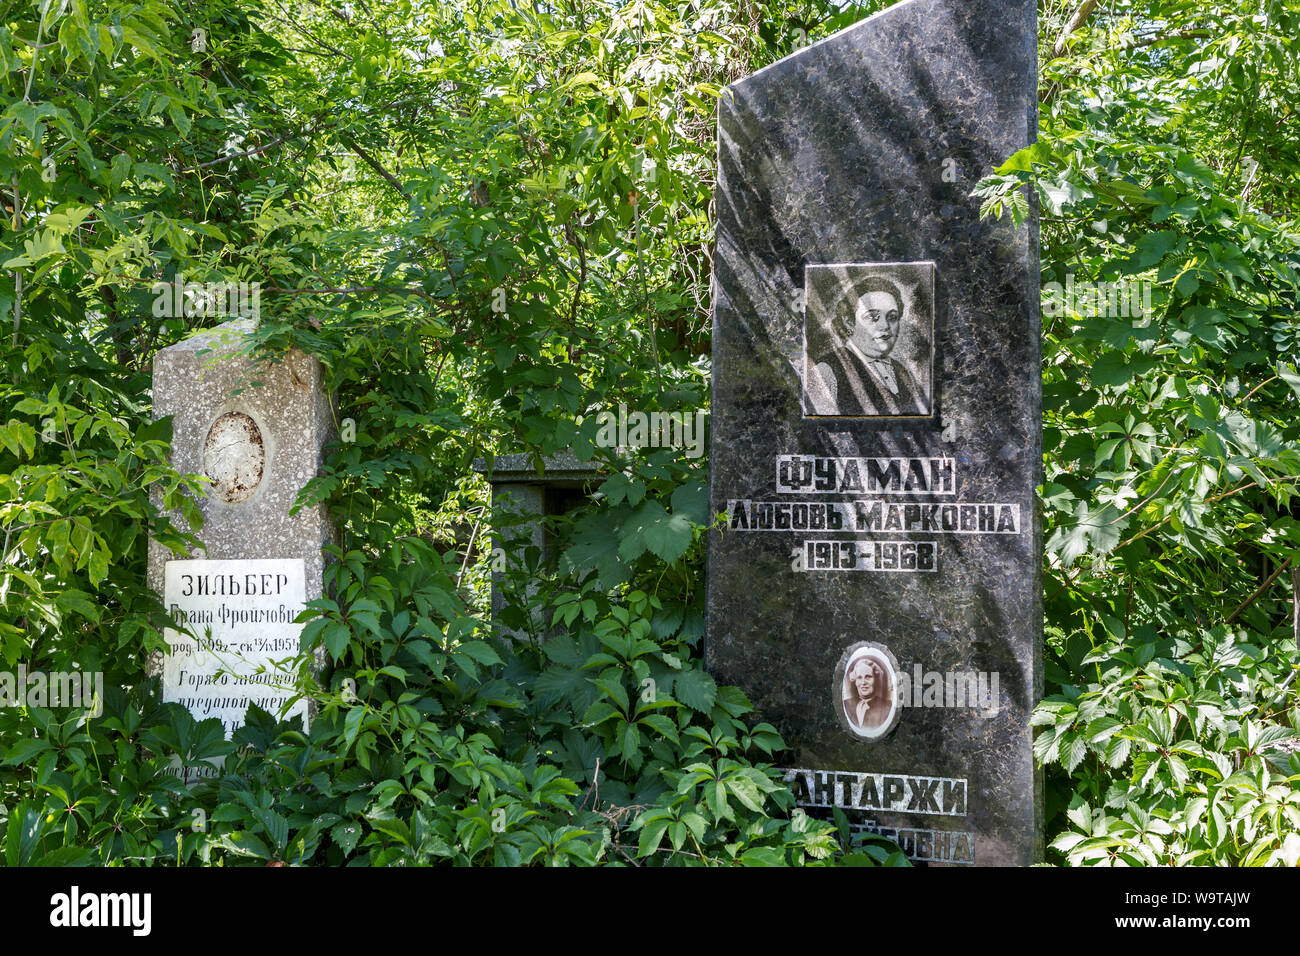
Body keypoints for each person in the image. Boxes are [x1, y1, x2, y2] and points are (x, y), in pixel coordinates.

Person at [807, 275, 929, 416]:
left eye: (892, 317)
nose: (885, 326)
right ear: (848, 321)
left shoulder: (902, 371)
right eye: (872, 317)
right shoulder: (826, 370)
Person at [843, 654, 886, 731]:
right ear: (855, 681)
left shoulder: (887, 706)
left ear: (875, 680)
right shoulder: (846, 704)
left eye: (868, 677)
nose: (863, 682)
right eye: (859, 677)